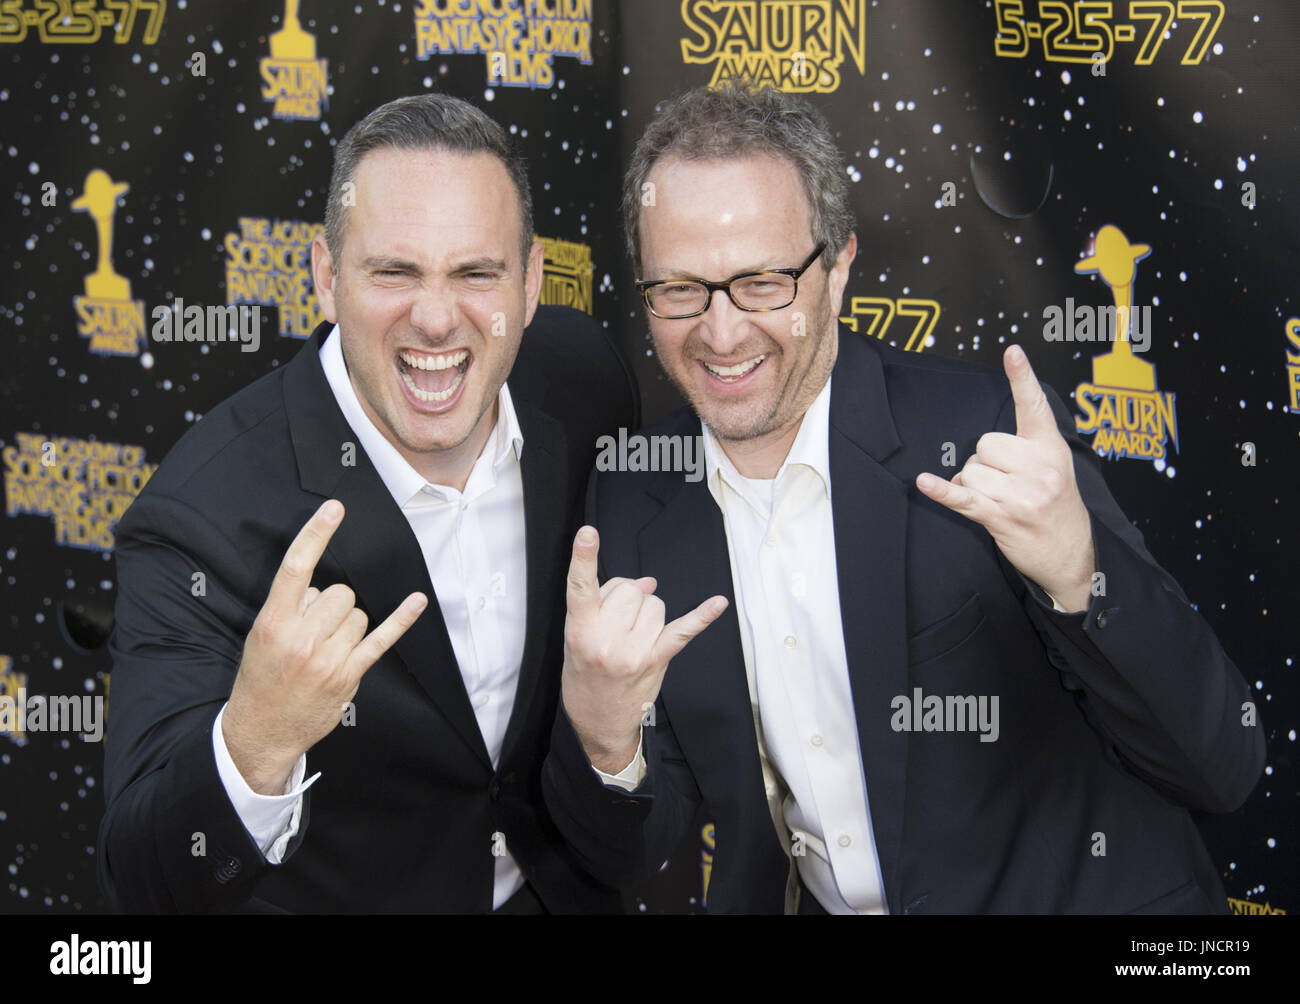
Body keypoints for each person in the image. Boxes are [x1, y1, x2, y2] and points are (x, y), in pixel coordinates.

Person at [542, 83, 1265, 914]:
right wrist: (603, 736)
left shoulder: (983, 438)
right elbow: (629, 853)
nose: (721, 330)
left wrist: (1081, 575)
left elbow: (1222, 764)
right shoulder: (632, 495)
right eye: (679, 288)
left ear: (840, 265)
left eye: (764, 282)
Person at [99, 94, 636, 913]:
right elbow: (143, 875)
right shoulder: (205, 516)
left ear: (529, 284)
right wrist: (255, 745)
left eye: (476, 272)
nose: (434, 316)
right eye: (393, 270)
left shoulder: (585, 380)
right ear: (325, 276)